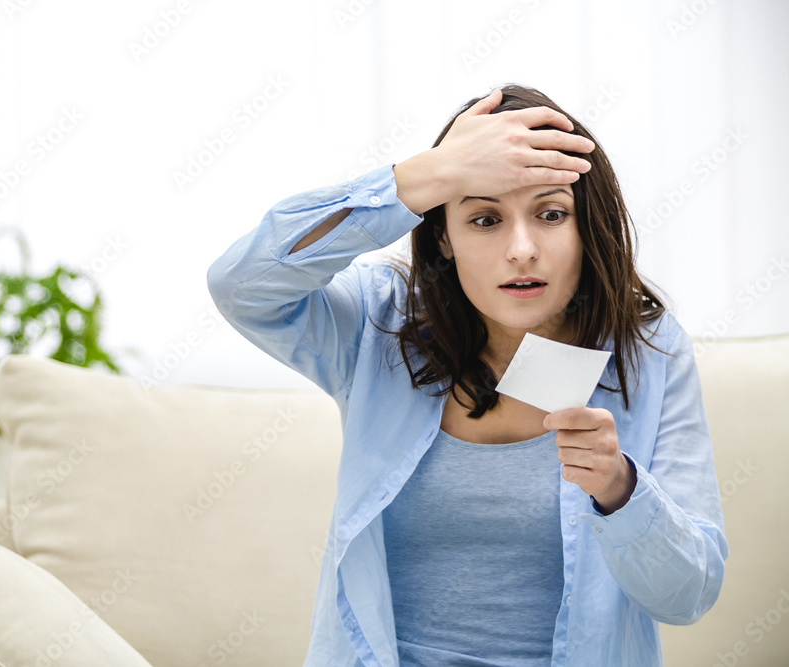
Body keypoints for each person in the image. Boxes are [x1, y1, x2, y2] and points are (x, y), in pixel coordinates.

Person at [205, 83, 728, 667]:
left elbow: (688, 595)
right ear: (444, 238)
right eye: (484, 219)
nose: (521, 249)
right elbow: (242, 285)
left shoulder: (651, 351)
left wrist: (620, 489)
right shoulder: (377, 324)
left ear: (588, 228)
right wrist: (423, 177)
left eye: (551, 214)